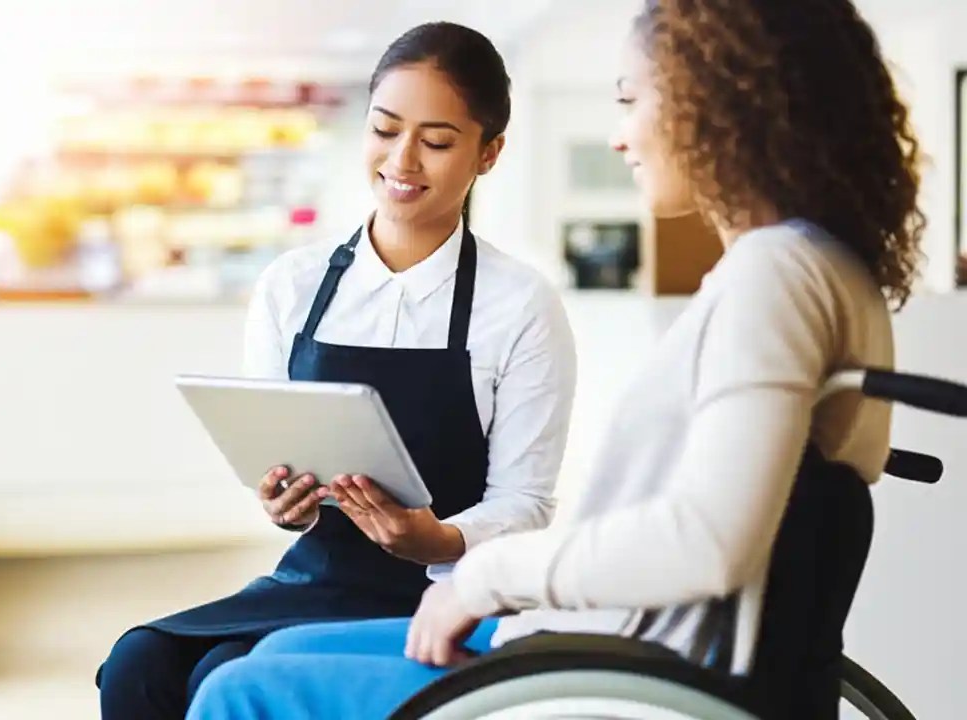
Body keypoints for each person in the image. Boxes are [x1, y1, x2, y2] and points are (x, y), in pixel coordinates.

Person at [185, 0, 926, 717]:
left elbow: (704, 541)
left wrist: (484, 580)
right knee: (266, 657)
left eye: (632, 99)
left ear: (720, 104)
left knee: (236, 692)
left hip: (622, 673)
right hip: (626, 643)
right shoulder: (824, 266)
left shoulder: (775, 277)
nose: (621, 137)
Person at [95, 22, 578, 719]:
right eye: (384, 130)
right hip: (311, 579)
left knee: (230, 674)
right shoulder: (292, 283)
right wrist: (280, 500)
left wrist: (435, 539)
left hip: (443, 594)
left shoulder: (521, 305)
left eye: (437, 141)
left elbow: (525, 505)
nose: (402, 160)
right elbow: (272, 449)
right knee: (138, 663)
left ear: (489, 152)